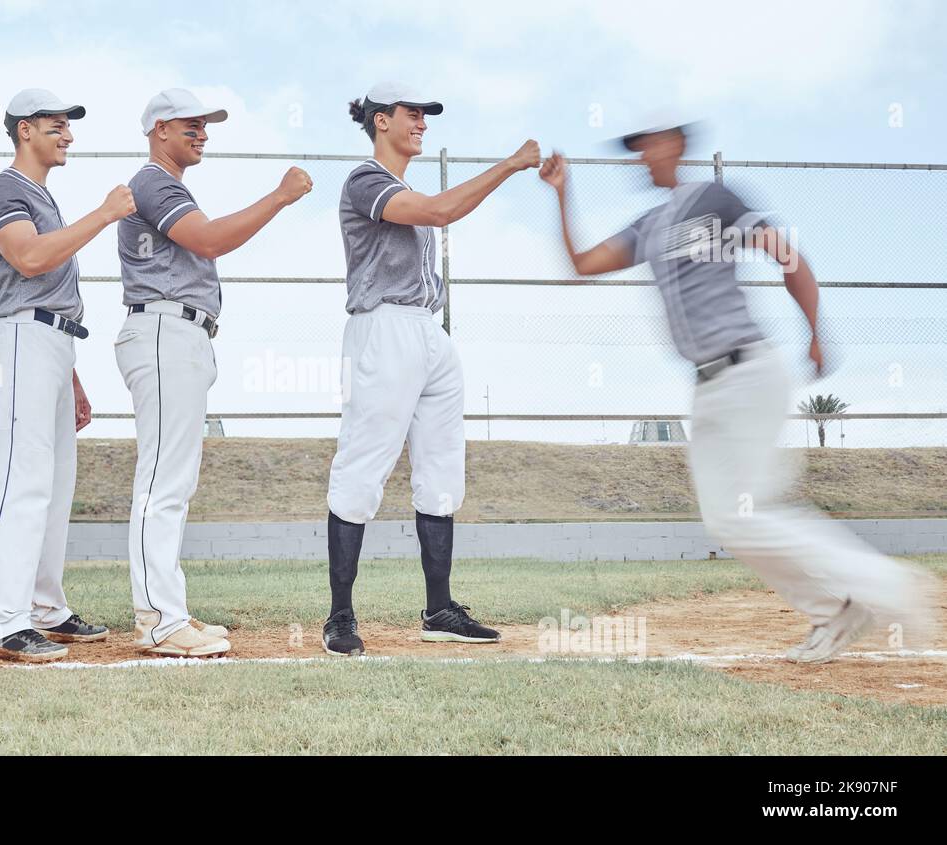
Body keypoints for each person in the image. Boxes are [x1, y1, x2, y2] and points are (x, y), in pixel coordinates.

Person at [538, 119, 934, 663]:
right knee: (729, 519)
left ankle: (886, 586)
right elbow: (582, 265)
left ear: (676, 145)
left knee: (746, 513)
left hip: (749, 370)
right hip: (709, 386)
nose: (640, 157)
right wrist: (563, 194)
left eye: (648, 144)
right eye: (635, 150)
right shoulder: (649, 225)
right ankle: (836, 611)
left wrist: (815, 330)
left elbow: (786, 255)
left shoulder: (714, 199)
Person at [322, 83, 542, 656]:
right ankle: (339, 617)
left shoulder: (403, 187)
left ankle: (439, 609)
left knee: (443, 471)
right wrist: (513, 164)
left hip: (426, 330)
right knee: (362, 469)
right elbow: (442, 212)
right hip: (383, 329)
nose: (422, 122)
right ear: (379, 121)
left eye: (425, 114)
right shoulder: (365, 180)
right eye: (411, 114)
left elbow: (433, 211)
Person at [115, 88, 312, 657]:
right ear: (158, 130)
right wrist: (279, 196)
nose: (203, 133)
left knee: (173, 481)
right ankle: (158, 620)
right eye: (190, 125)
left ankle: (167, 610)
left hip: (181, 332)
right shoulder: (153, 180)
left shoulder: (169, 184)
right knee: (161, 481)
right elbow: (209, 238)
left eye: (206, 125)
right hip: (162, 329)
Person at [0, 89, 135, 662]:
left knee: (54, 485)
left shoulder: (41, 196)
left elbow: (51, 286)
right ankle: (2, 619)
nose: (67, 134)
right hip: (18, 337)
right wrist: (106, 213)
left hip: (52, 343)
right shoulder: (4, 190)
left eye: (69, 126)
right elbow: (30, 259)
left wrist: (72, 374)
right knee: (20, 478)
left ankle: (43, 607)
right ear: (23, 131)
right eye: (55, 125)